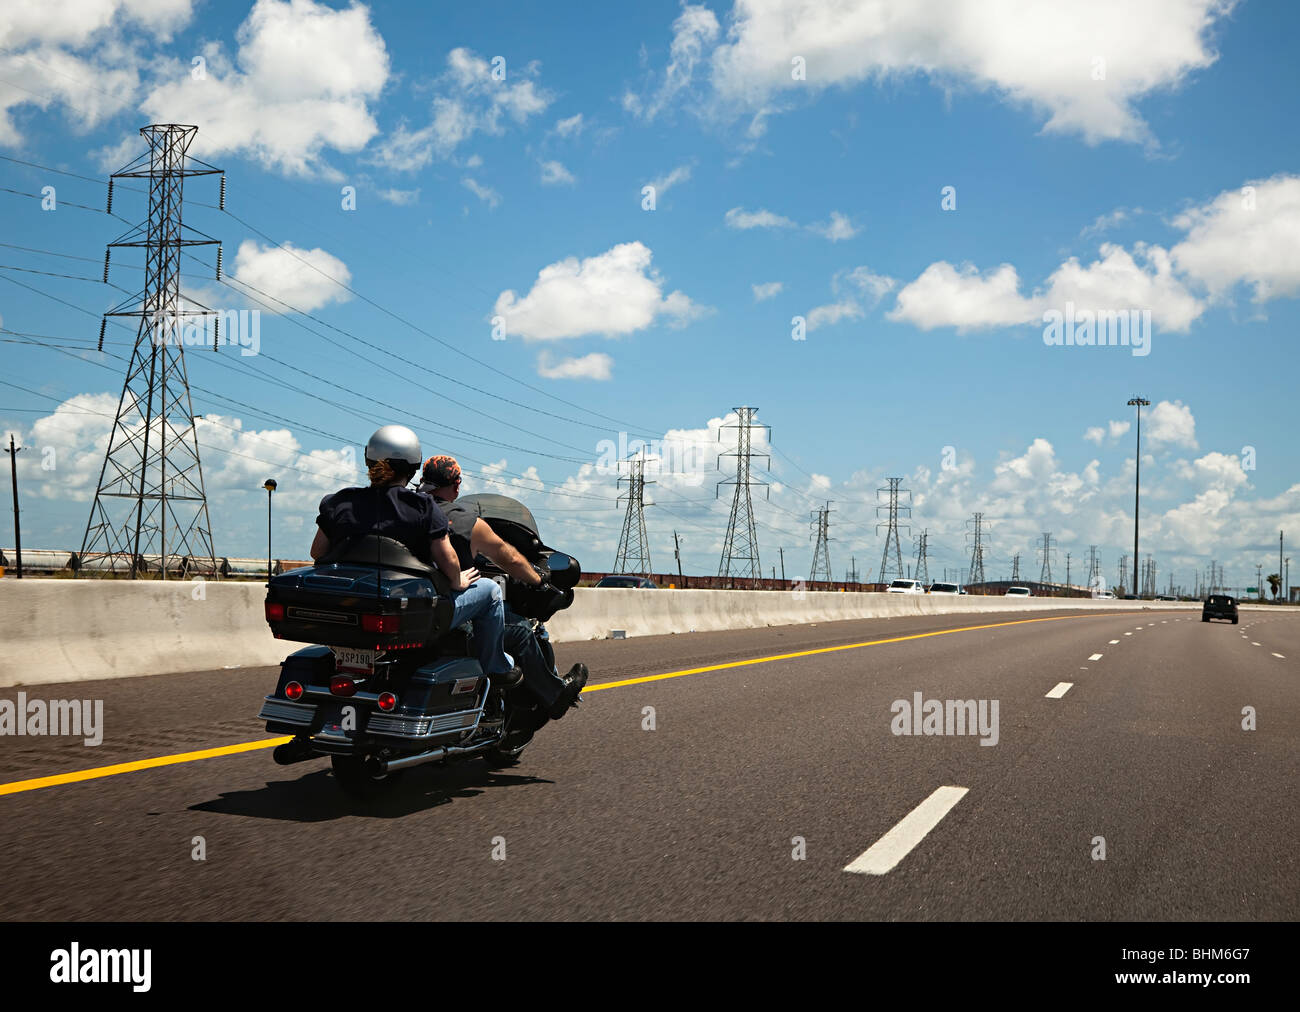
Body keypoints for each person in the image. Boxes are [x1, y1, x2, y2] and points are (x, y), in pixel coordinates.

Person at [311, 426, 520, 687]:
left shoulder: (338, 502)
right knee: (489, 590)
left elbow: (317, 553)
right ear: (414, 467)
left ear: (368, 459)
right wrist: (458, 582)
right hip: (410, 610)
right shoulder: (422, 506)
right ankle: (498, 668)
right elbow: (448, 560)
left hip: (352, 606)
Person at [419, 454, 587, 720]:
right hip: (445, 616)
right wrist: (538, 579)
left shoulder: (406, 509)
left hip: (414, 611)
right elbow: (507, 556)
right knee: (519, 631)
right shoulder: (464, 522)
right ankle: (554, 696)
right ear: (457, 485)